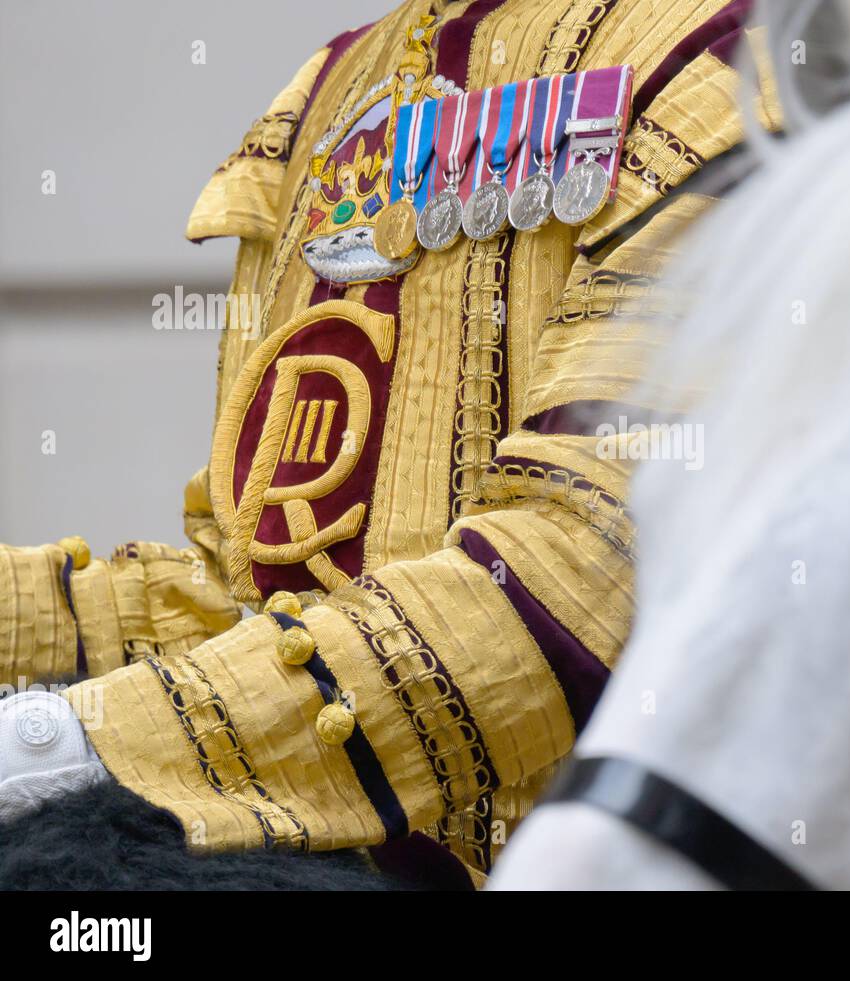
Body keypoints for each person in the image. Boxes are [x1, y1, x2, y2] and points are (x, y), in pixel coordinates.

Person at [0, 0, 781, 887]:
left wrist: (66, 743)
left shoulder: (716, 61)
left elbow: (585, 571)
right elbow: (246, 593)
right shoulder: (334, 84)